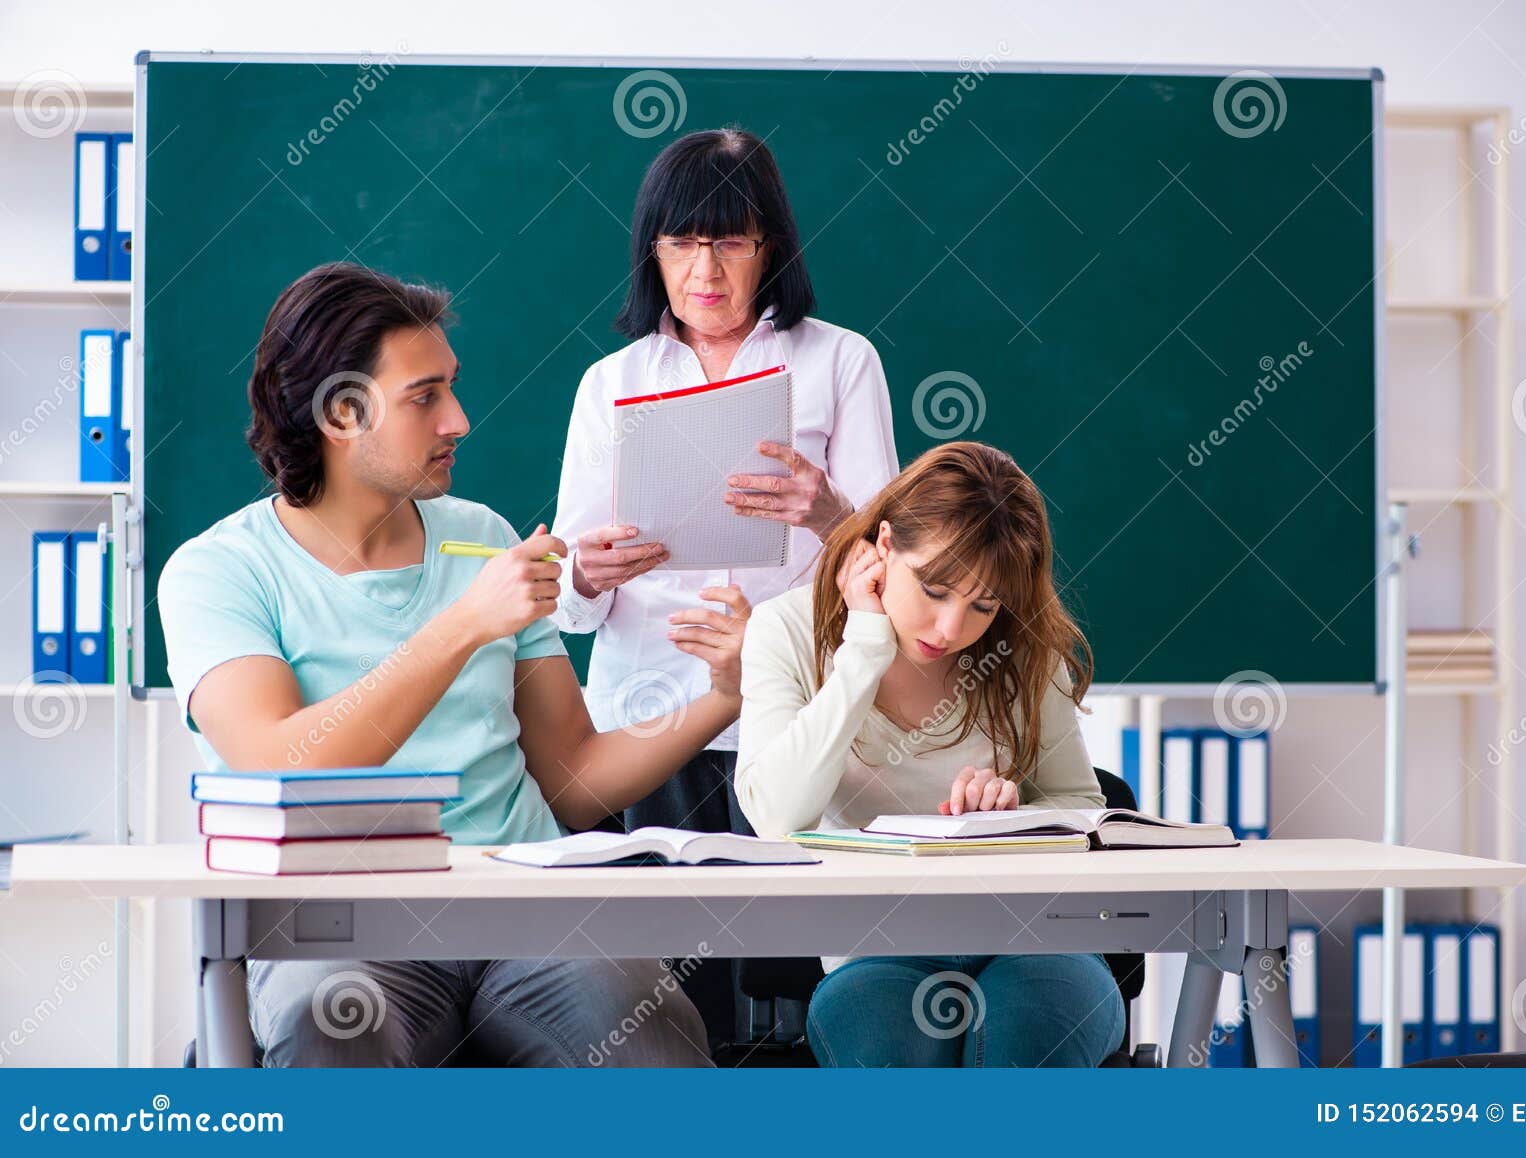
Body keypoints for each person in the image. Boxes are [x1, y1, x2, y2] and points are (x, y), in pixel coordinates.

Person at [158, 261, 751, 1067]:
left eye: (453, 387)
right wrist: (464, 625)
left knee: (641, 1025)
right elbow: (279, 770)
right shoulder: (217, 571)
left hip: (521, 913)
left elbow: (571, 779)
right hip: (339, 926)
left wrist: (721, 697)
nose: (460, 420)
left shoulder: (482, 536)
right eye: (425, 396)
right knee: (333, 1022)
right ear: (340, 413)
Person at [551, 127, 898, 1046]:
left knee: (790, 992)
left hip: (792, 716)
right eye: (682, 243)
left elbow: (893, 575)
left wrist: (829, 515)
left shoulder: (840, 362)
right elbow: (570, 601)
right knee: (652, 998)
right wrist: (588, 571)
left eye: (730, 241)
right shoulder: (610, 382)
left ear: (769, 247)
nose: (705, 269)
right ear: (653, 252)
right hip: (645, 723)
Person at [733, 441, 1126, 1067]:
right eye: (935, 588)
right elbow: (778, 817)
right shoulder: (785, 629)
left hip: (1032, 938)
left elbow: (1080, 804)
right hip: (874, 947)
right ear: (882, 545)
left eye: (983, 605)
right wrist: (864, 648)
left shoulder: (1022, 650)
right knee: (894, 1051)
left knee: (1026, 1047)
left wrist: (1013, 817)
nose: (949, 629)